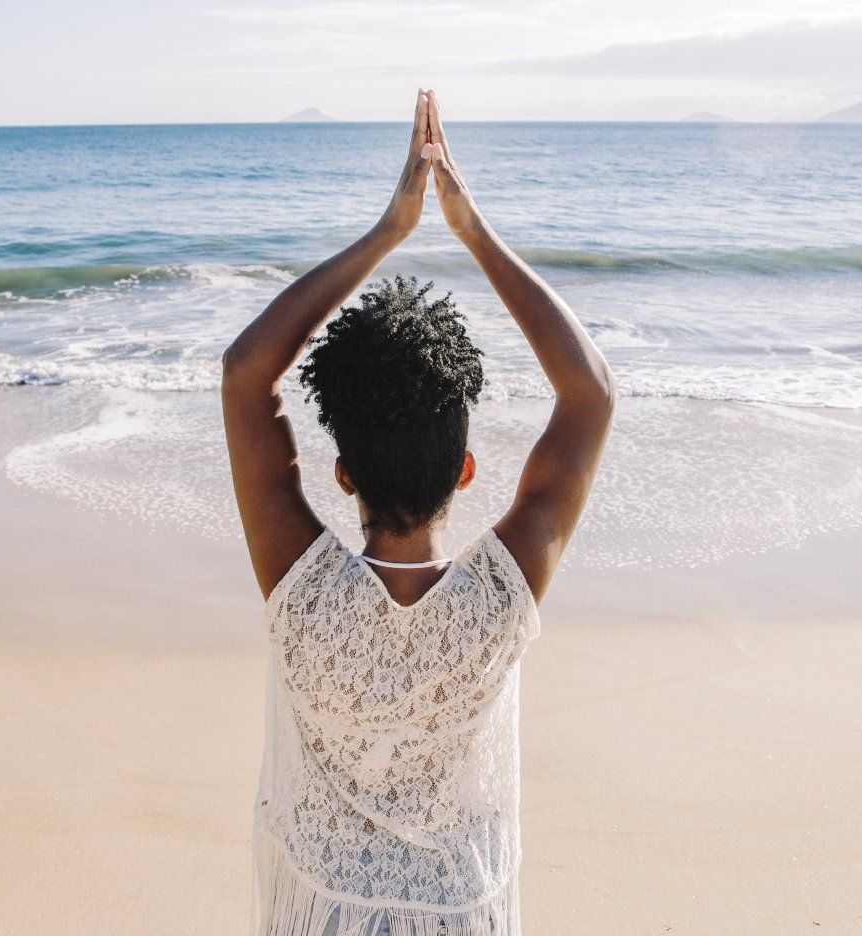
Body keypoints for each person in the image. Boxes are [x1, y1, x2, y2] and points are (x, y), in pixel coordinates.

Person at [221, 89, 615, 936]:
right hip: (458, 915)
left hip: (323, 913)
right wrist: (470, 230)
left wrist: (389, 231)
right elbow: (590, 394)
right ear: (467, 471)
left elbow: (247, 373)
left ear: (342, 476)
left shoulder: (303, 597)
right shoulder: (498, 603)